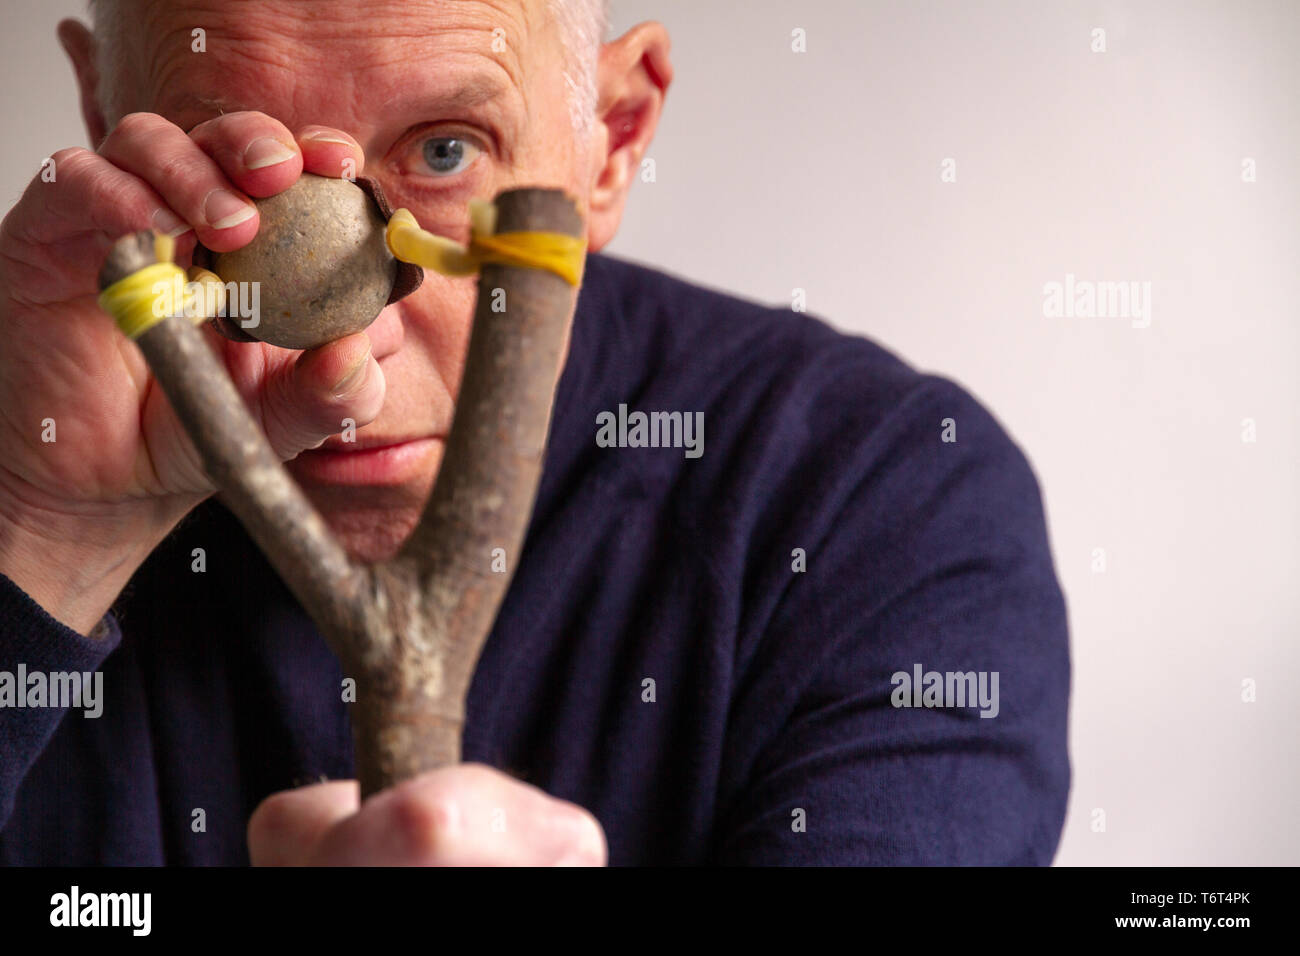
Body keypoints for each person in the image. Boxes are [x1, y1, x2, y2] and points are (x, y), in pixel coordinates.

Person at [0, 0, 1070, 865]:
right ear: (101, 117)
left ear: (613, 138)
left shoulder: (879, 502)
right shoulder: (24, 450)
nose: (348, 353)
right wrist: (39, 533)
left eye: (448, 149)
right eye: (241, 188)